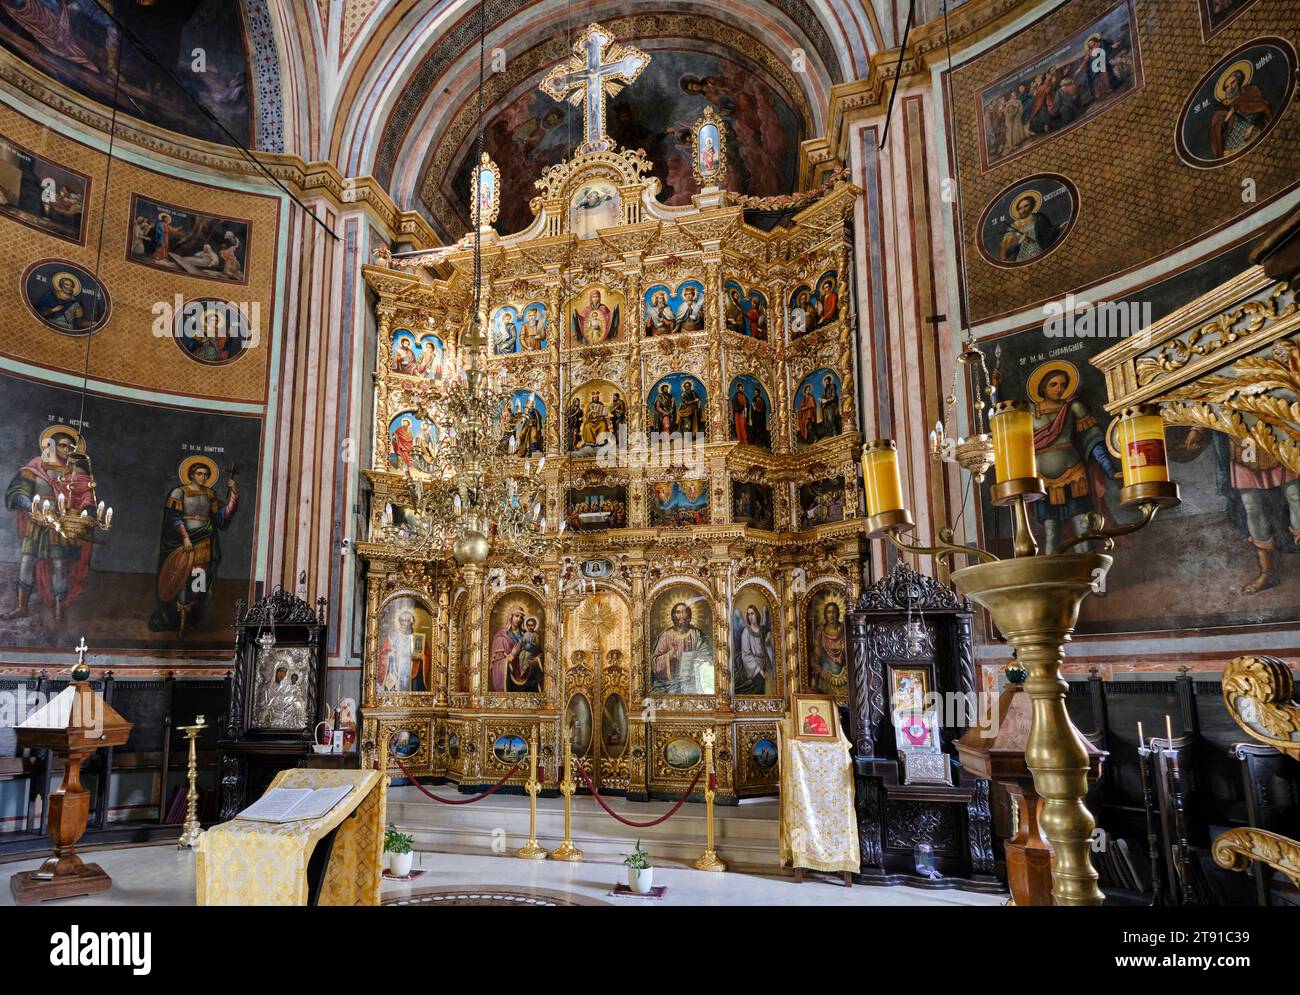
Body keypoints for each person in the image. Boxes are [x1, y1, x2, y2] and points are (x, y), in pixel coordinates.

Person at [3, 427, 95, 622]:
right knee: (27, 562)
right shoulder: (36, 467)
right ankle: (21, 606)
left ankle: (59, 609)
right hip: (37, 524)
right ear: (51, 445)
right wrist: (32, 508)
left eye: (71, 447)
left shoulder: (77, 472)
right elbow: (18, 491)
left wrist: (86, 513)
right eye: (62, 445)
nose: (67, 450)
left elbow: (88, 498)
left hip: (61, 525)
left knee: (60, 565)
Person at [1028, 363, 1120, 554]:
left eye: (1062, 384)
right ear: (1042, 387)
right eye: (1053, 384)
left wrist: (1109, 469)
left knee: (1082, 529)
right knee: (1051, 532)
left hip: (1074, 474)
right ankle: (1054, 580)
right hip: (1043, 480)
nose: (1059, 389)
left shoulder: (1074, 407)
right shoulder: (1030, 412)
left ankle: (1088, 574)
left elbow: (1093, 440)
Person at [149, 457, 239, 634]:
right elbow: (174, 518)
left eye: (206, 474)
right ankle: (174, 618)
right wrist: (185, 538)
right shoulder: (179, 492)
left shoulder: (210, 494)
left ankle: (190, 617)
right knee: (179, 579)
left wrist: (233, 495)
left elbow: (221, 518)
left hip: (204, 544)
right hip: (182, 544)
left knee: (199, 581)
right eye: (199, 473)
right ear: (191, 474)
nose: (203, 477)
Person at [1208, 67, 1274, 160]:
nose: (1230, 87)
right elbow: (1217, 131)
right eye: (1227, 86)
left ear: (1239, 82)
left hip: (1254, 134)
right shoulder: (1221, 108)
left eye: (1233, 82)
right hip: (1233, 144)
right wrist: (1223, 123)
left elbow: (1261, 108)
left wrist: (1250, 129)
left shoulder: (1250, 91)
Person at [651, 602, 710, 693]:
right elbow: (655, 663)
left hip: (692, 681)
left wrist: (696, 658)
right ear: (673, 615)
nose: (681, 616)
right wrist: (669, 656)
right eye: (678, 612)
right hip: (669, 684)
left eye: (684, 612)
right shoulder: (666, 636)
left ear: (689, 615)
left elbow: (706, 655)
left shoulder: (697, 634)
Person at [998, 190, 1060, 263]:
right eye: (1020, 208)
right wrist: (1020, 240)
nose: (1023, 210)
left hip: (1041, 250)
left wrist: (1058, 228)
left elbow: (1048, 232)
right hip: (1023, 256)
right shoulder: (1015, 225)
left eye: (1026, 206)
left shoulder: (1040, 217)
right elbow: (1005, 246)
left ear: (1032, 205)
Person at [733, 603, 774, 696]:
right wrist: (759, 670)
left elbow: (765, 648)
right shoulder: (746, 632)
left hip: (763, 663)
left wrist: (766, 667)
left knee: (764, 690)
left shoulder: (762, 630)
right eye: (748, 614)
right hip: (752, 666)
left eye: (752, 613)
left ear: (757, 614)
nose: (750, 616)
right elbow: (746, 654)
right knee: (758, 689)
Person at [811, 601, 846, 692]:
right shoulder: (820, 631)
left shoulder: (844, 630)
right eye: (829, 612)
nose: (831, 615)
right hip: (825, 676)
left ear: (838, 613)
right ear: (825, 614)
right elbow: (816, 654)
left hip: (844, 677)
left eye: (834, 612)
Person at [489, 610, 526, 692]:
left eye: (521, 617)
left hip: (523, 668)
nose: (519, 619)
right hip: (509, 673)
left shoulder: (525, 634)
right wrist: (512, 654)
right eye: (516, 616)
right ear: (511, 617)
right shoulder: (501, 636)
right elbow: (498, 662)